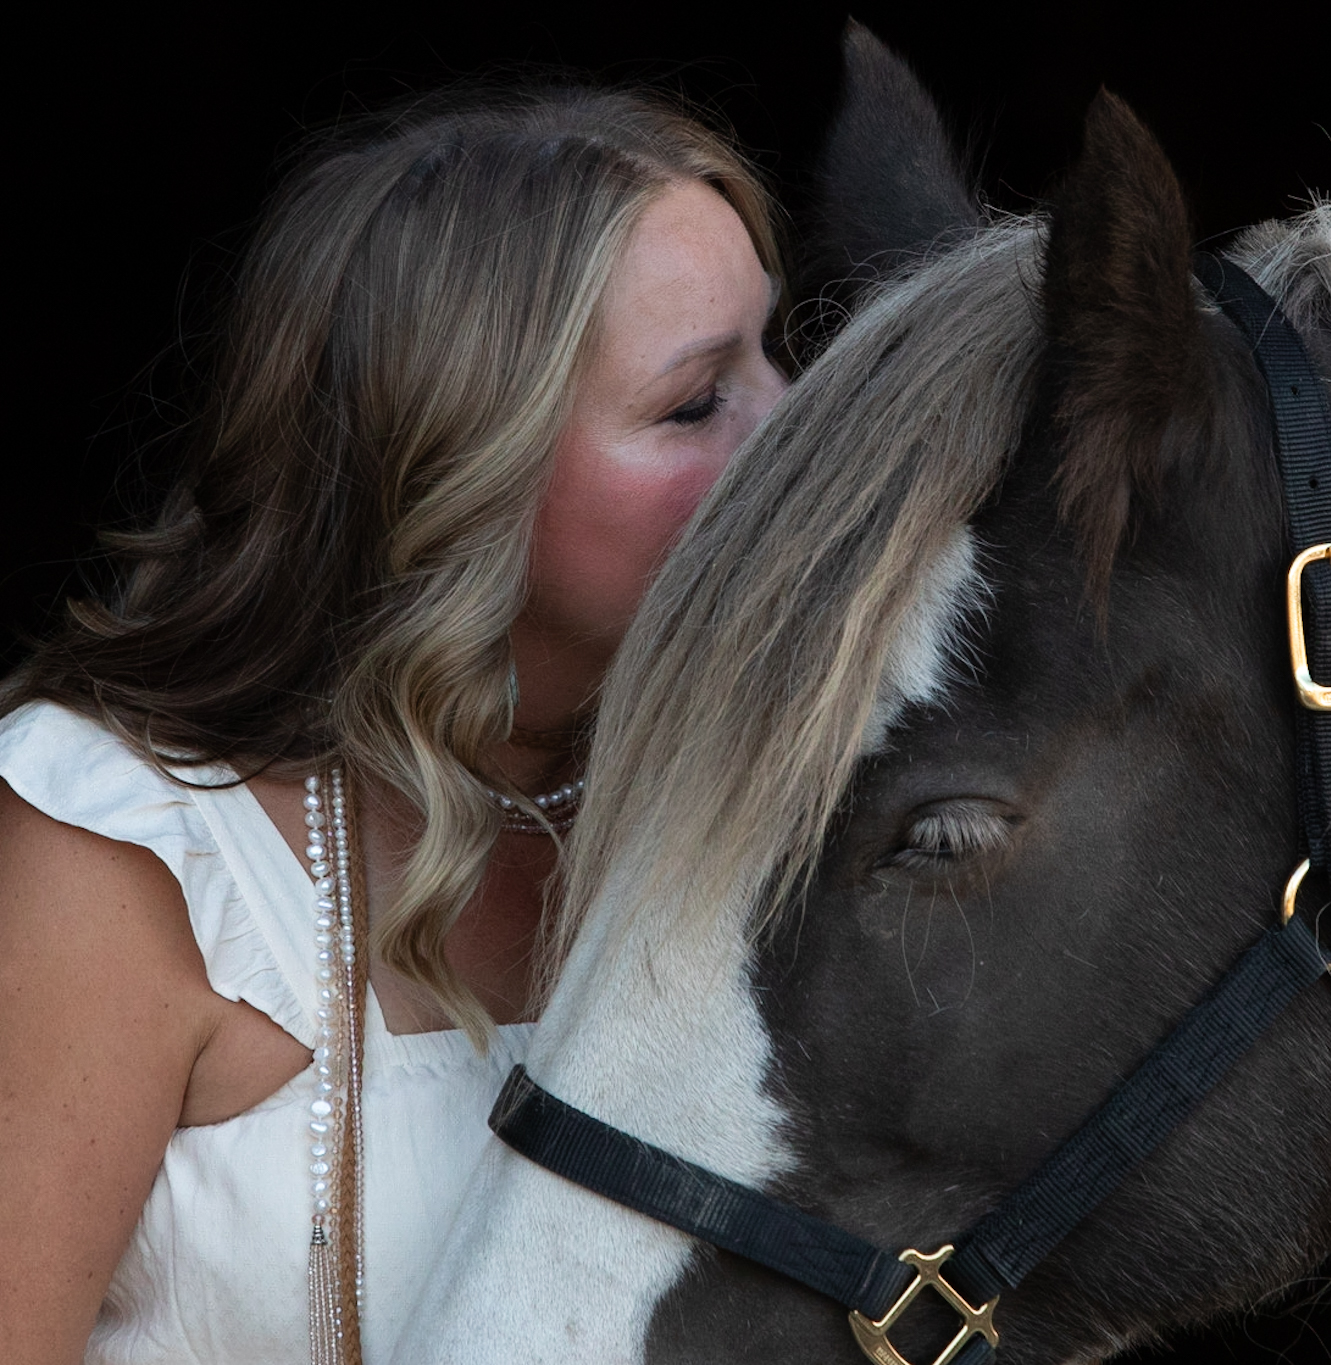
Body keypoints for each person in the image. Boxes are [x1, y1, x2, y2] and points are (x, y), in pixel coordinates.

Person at [0, 85, 789, 1365]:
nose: (801, 432)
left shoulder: (764, 805)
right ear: (456, 475)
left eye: (778, 346)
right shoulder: (123, 849)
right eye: (696, 403)